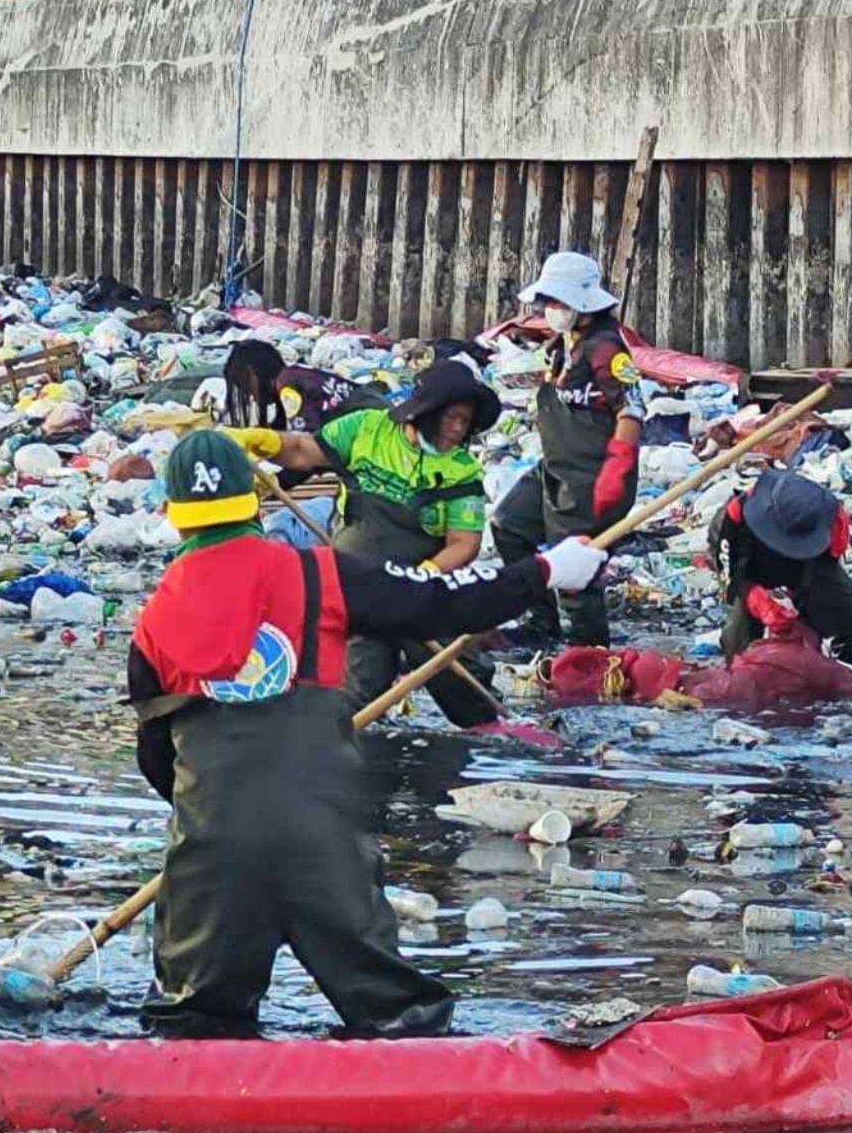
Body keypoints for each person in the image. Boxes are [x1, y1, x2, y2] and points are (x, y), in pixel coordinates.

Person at [128, 430, 607, 1038]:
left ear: (173, 516)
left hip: (212, 849)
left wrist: (217, 825)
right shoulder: (321, 574)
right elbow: (440, 603)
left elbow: (155, 760)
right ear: (255, 500)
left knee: (193, 1025)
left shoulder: (154, 619)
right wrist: (545, 570)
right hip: (320, 841)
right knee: (401, 1020)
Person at [223, 352, 504, 726]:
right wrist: (266, 443)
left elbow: (464, 543)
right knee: (358, 680)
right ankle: (335, 742)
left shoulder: (461, 471)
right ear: (429, 411)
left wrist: (425, 574)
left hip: (417, 589)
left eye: (464, 423)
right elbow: (305, 451)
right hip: (353, 581)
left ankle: (490, 727)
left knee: (455, 675)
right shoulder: (366, 429)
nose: (457, 430)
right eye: (452, 418)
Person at [492, 251, 642, 647]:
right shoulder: (564, 345)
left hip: (591, 477)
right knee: (508, 524)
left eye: (559, 302)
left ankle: (589, 654)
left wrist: (617, 467)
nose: (551, 310)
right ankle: (541, 622)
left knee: (576, 567)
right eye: (549, 302)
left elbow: (632, 407)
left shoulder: (608, 349)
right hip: (556, 466)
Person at [710, 468, 852, 668]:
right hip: (750, 561)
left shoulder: (829, 521)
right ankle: (741, 672)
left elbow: (827, 567)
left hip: (806, 563)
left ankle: (847, 674)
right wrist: (755, 598)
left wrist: (803, 610)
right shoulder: (735, 516)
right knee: (738, 634)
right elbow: (729, 575)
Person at [214, 339, 386, 434]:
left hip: (377, 429)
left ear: (252, 373)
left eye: (245, 387)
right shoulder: (293, 375)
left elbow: (305, 441)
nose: (250, 396)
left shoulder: (287, 385)